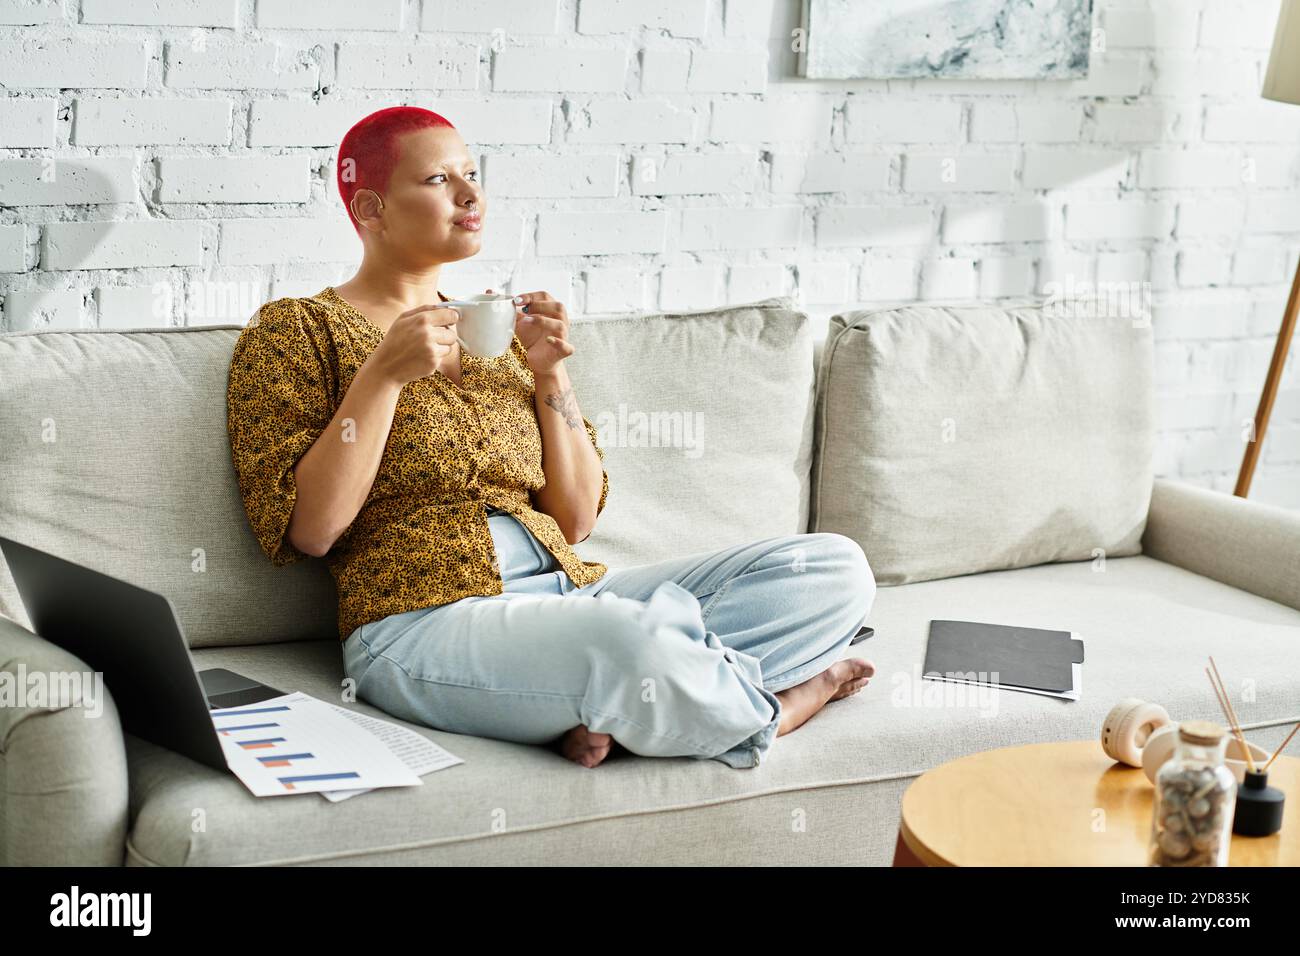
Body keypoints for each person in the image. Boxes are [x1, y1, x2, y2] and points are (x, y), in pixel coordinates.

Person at [226, 106, 877, 771]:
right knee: (627, 641)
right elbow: (312, 530)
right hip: (421, 622)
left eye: (473, 175)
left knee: (831, 569)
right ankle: (784, 704)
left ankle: (622, 705)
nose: (472, 196)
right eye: (438, 179)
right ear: (371, 208)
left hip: (570, 593)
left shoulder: (500, 336)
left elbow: (576, 518)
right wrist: (382, 378)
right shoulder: (295, 331)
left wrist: (551, 373)